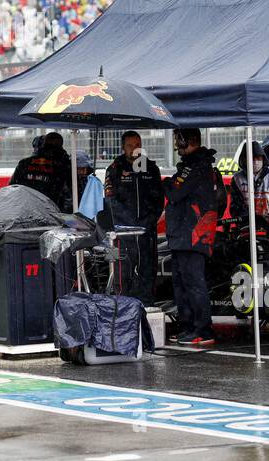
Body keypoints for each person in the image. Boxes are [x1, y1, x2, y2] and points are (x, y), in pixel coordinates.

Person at [163, 127, 220, 346]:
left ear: (188, 140)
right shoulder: (193, 165)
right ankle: (187, 327)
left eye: (179, 140)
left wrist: (166, 182)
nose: (177, 145)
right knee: (181, 283)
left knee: (194, 283)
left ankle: (203, 330)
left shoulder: (197, 165)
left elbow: (174, 192)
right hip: (182, 233)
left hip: (194, 235)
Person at [102, 131, 164, 303]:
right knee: (122, 274)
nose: (134, 148)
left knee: (147, 272)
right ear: (123, 147)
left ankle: (147, 308)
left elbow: (159, 200)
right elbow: (110, 200)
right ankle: (122, 309)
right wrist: (130, 224)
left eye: (138, 144)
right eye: (130, 145)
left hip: (146, 232)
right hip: (123, 233)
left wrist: (146, 223)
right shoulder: (114, 169)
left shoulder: (151, 168)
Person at [9, 131, 72, 212]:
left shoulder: (25, 163)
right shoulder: (63, 165)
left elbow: (13, 187)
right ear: (61, 146)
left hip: (26, 210)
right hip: (52, 212)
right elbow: (70, 192)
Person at [229, 141, 269, 223]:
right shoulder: (237, 178)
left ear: (263, 159)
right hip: (245, 223)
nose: (255, 162)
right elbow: (235, 205)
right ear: (244, 160)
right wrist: (246, 219)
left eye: (258, 158)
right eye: (252, 159)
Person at [73, 150, 105, 221]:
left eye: (85, 169)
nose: (83, 172)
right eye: (80, 169)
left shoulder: (90, 181)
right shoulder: (71, 181)